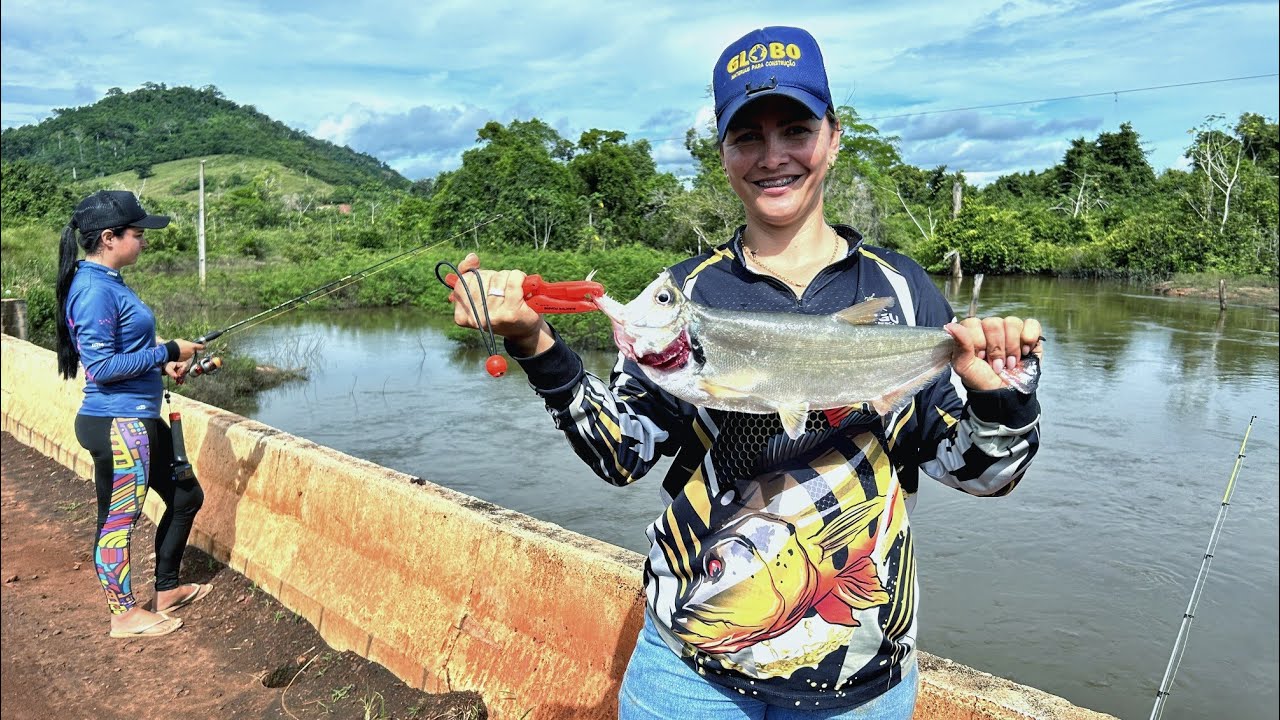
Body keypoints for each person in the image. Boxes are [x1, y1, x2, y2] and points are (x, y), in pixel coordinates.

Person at [447, 26, 1043, 719]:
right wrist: (535, 341)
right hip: (689, 674)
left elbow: (982, 473)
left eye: (795, 129)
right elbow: (620, 454)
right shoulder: (685, 295)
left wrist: (999, 396)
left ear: (833, 135)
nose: (773, 157)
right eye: (746, 137)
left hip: (860, 680)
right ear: (724, 153)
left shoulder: (904, 293)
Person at [54, 190, 213, 639]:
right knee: (118, 520)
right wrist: (166, 349)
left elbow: (125, 349)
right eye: (138, 234)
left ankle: (166, 590)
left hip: (137, 417)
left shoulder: (108, 282)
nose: (143, 242)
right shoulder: (91, 291)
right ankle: (123, 616)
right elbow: (102, 368)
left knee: (185, 497)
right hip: (120, 424)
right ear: (109, 237)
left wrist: (165, 363)